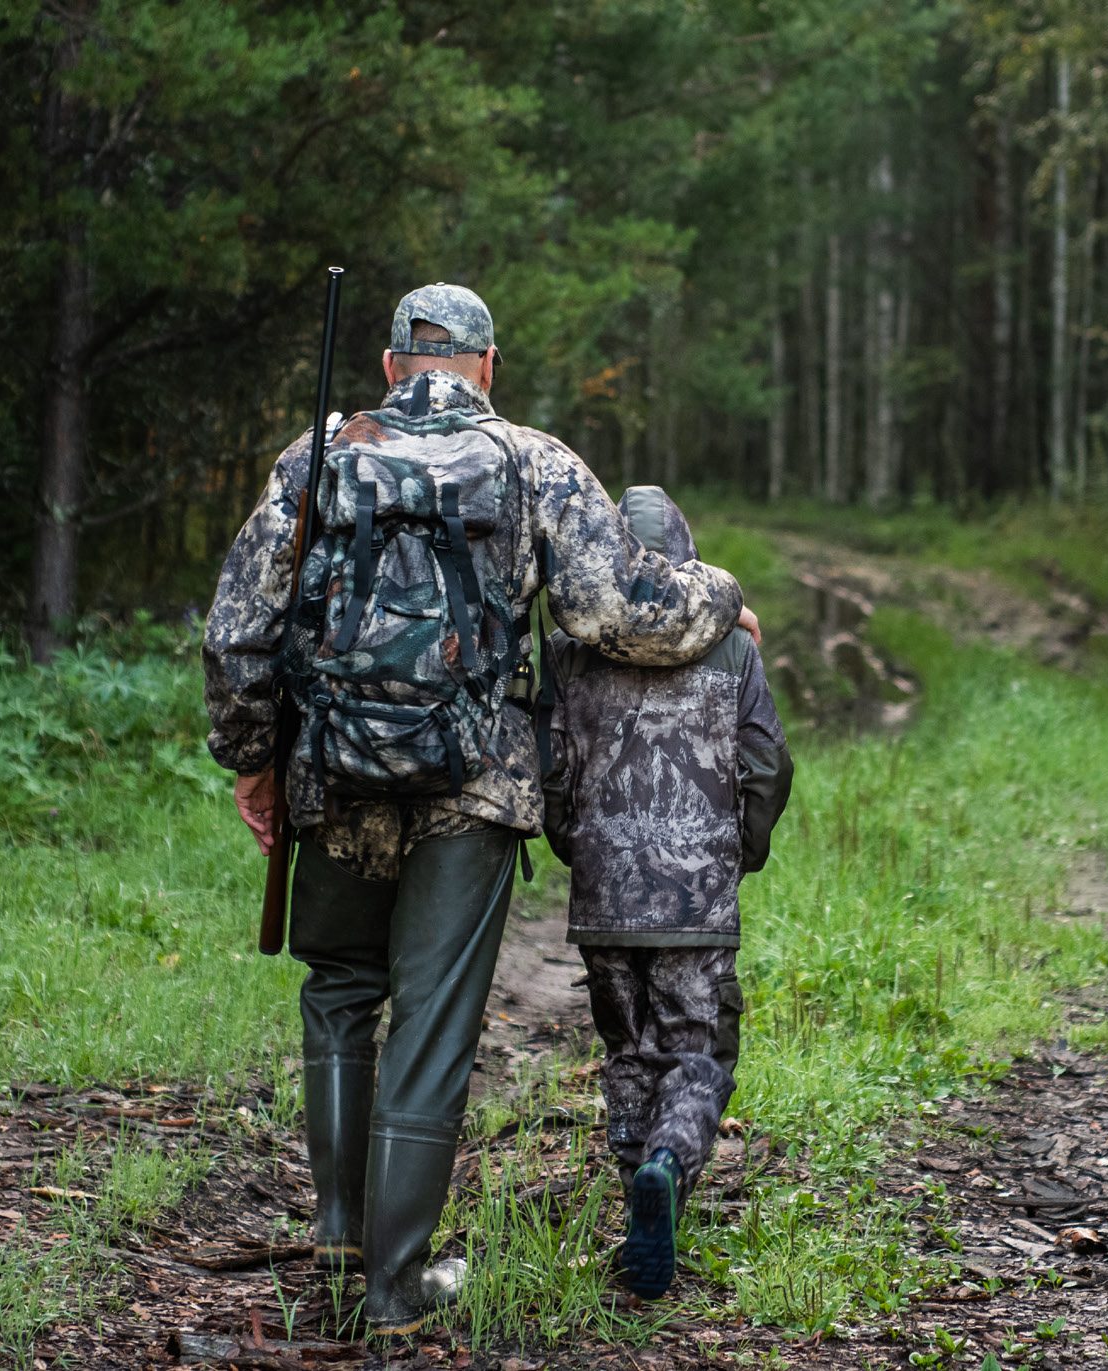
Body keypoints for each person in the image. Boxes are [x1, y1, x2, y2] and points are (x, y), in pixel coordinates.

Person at [201, 283, 758, 1337]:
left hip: (334, 769)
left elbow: (238, 634)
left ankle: (337, 1234)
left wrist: (253, 760)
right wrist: (722, 595)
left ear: (388, 364)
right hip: (473, 783)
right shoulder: (531, 461)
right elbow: (618, 609)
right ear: (486, 366)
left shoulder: (313, 458)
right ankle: (396, 1289)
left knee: (337, 988)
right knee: (431, 1027)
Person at [542, 486, 792, 1299]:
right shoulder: (731, 648)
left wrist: (576, 847)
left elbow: (549, 769)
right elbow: (766, 764)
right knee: (699, 1053)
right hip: (696, 901)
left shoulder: (571, 649)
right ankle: (664, 1171)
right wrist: (738, 851)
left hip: (605, 896)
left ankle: (637, 1213)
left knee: (628, 1053)